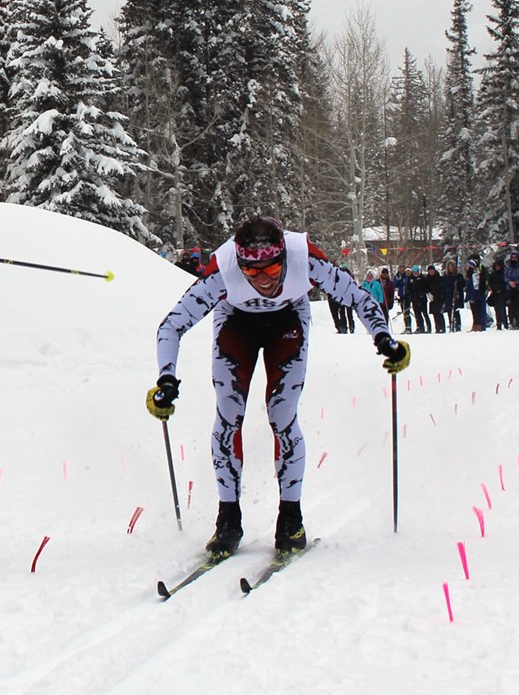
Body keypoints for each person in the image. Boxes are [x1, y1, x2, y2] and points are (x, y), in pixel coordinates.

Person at [147, 216, 409, 559]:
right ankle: (228, 518)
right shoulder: (223, 269)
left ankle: (290, 517)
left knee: (282, 413)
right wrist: (166, 378)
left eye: (271, 272)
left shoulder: (305, 257)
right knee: (228, 415)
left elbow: (358, 298)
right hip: (235, 321)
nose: (263, 282)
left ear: (283, 259)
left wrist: (384, 339)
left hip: (288, 320)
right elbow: (171, 325)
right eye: (252, 274)